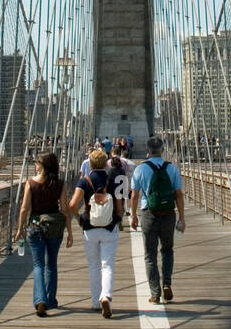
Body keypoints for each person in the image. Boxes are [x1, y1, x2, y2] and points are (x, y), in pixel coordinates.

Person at [67, 148, 125, 317]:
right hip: (109, 228)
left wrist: (79, 218)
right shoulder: (113, 180)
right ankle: (105, 296)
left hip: (90, 228)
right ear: (105, 162)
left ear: (90, 163)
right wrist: (117, 217)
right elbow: (119, 207)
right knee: (107, 265)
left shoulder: (85, 181)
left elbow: (72, 205)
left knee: (93, 265)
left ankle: (94, 302)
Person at [13, 151, 72, 317]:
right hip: (55, 227)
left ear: (43, 165)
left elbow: (24, 208)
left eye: (37, 162)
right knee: (51, 264)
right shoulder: (60, 184)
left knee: (38, 265)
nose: (34, 165)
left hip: (35, 226)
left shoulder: (31, 183)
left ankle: (40, 300)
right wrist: (70, 232)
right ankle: (51, 300)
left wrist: (20, 229)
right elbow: (65, 209)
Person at [129, 135, 185, 304]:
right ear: (162, 150)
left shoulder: (140, 169)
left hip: (149, 214)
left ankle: (155, 293)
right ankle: (167, 283)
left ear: (148, 151)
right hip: (168, 214)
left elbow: (134, 196)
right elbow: (179, 194)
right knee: (167, 250)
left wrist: (133, 215)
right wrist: (181, 218)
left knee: (150, 255)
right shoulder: (172, 168)